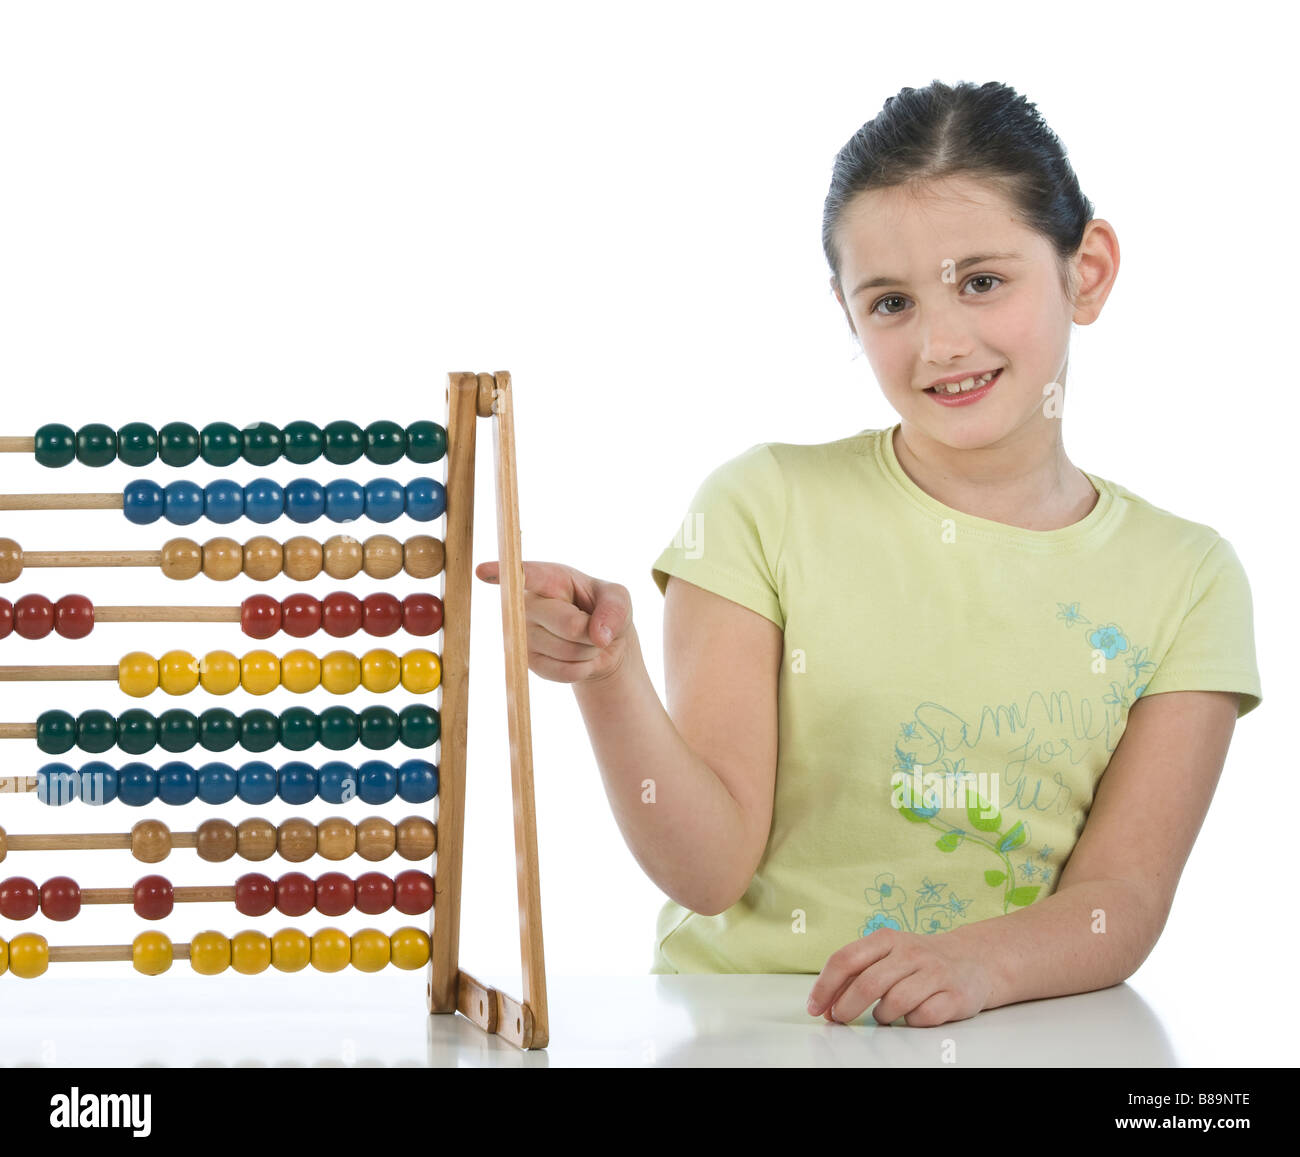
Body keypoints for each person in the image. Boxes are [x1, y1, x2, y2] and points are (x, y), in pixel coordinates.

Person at [476, 80, 1263, 1028]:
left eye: (981, 280)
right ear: (849, 313)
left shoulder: (1189, 577)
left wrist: (971, 966)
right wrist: (611, 675)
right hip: (751, 1030)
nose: (940, 342)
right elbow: (710, 868)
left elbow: (1123, 899)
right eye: (890, 302)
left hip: (1017, 1032)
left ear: (1086, 269)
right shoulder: (761, 504)